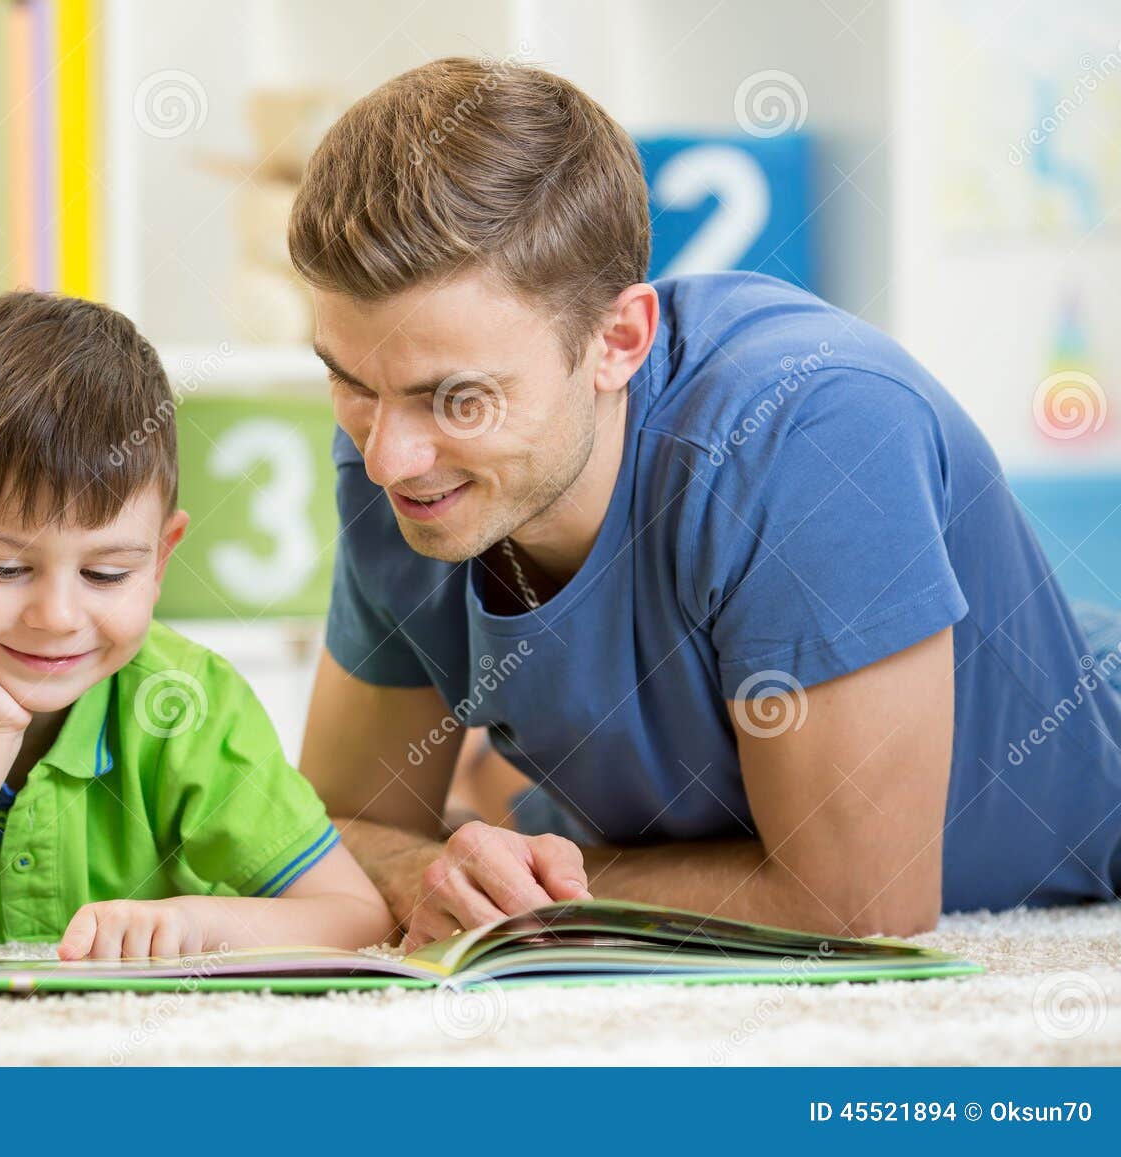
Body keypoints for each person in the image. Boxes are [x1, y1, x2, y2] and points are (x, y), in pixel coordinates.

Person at [289, 58, 1121, 950]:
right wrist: (427, 869)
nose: (386, 458)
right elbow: (333, 825)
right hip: (659, 794)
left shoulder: (817, 425)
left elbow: (863, 905)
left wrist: (520, 890)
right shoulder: (403, 447)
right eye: (350, 383)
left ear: (619, 340)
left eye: (454, 397)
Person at [0, 292, 392, 965]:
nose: (58, 618)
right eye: (5, 567)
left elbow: (357, 917)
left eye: (106, 574)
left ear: (160, 558)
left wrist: (194, 922)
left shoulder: (188, 702)